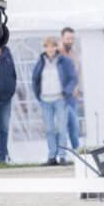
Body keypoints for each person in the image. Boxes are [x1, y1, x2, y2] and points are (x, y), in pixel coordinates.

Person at [31, 35, 77, 166]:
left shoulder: (65, 61)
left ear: (56, 47)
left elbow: (73, 78)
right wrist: (38, 95)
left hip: (60, 99)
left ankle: (62, 156)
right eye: (47, 46)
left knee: (62, 128)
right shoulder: (40, 62)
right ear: (44, 48)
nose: (50, 49)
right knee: (49, 129)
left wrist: (66, 92)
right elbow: (34, 79)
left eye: (52, 46)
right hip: (45, 100)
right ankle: (52, 156)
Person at [60, 26, 81, 150]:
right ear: (62, 38)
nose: (70, 41)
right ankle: (64, 152)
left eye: (72, 38)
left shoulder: (74, 53)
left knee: (73, 126)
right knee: (67, 125)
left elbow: (77, 73)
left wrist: (77, 88)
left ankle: (75, 152)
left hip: (73, 96)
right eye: (68, 38)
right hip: (63, 96)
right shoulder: (58, 54)